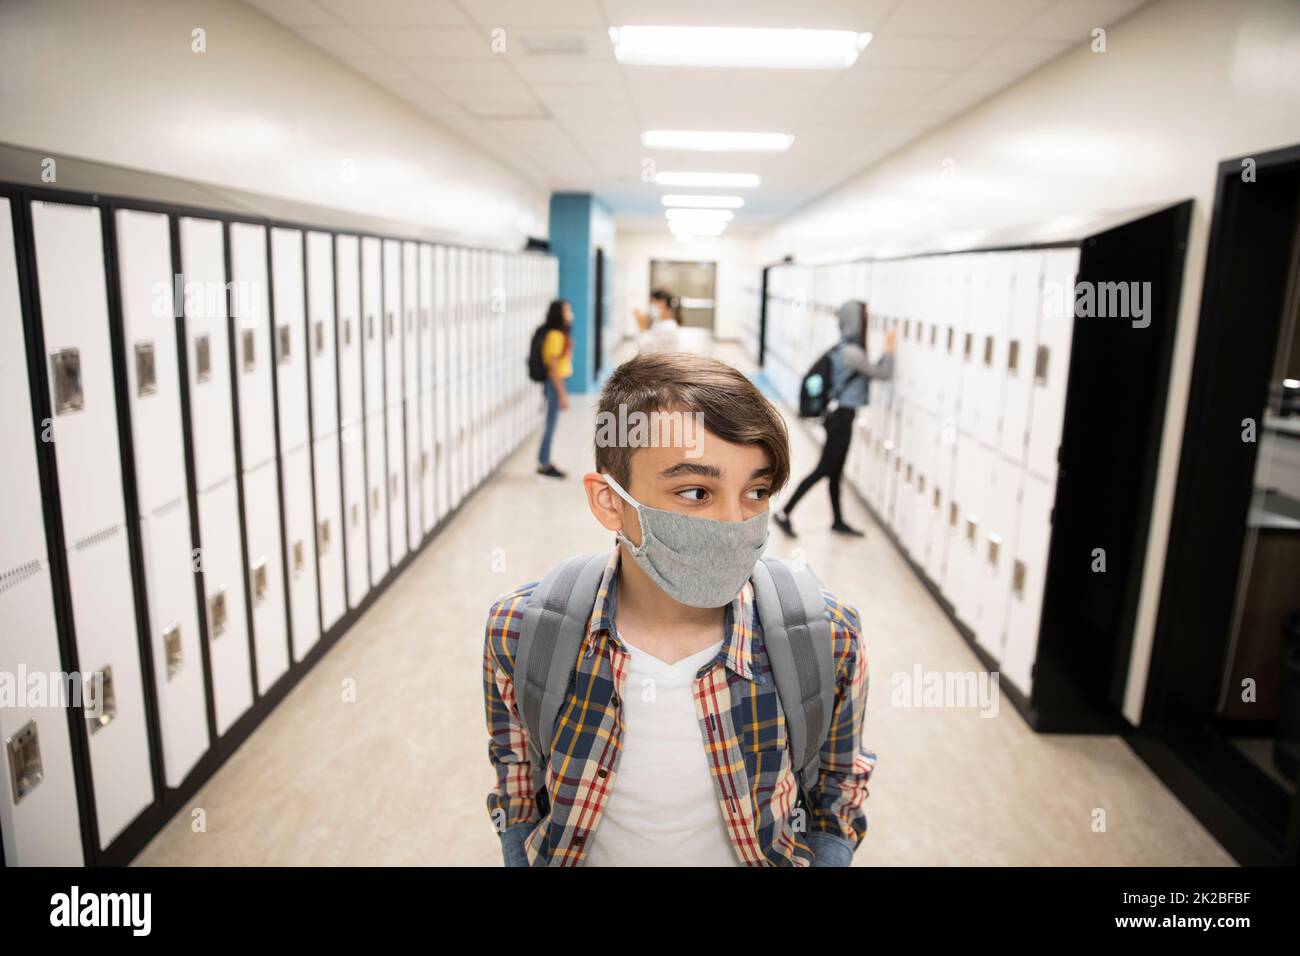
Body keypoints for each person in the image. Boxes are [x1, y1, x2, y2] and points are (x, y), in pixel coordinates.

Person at [482, 351, 875, 867]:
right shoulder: (521, 632)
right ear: (609, 502)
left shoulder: (827, 636)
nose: (736, 522)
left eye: (756, 491)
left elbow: (837, 793)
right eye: (695, 491)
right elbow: (517, 788)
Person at [775, 299, 895, 538]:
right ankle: (785, 512)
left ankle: (838, 521)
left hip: (839, 416)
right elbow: (882, 373)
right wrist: (890, 349)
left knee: (836, 471)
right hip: (841, 418)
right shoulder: (853, 353)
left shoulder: (843, 349)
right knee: (824, 469)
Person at [537, 298, 572, 479]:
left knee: (551, 424)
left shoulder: (559, 334)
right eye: (567, 311)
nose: (570, 314)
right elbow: (553, 367)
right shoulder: (555, 336)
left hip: (556, 382)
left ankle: (544, 460)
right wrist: (562, 394)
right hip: (554, 383)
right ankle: (544, 463)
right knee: (550, 425)